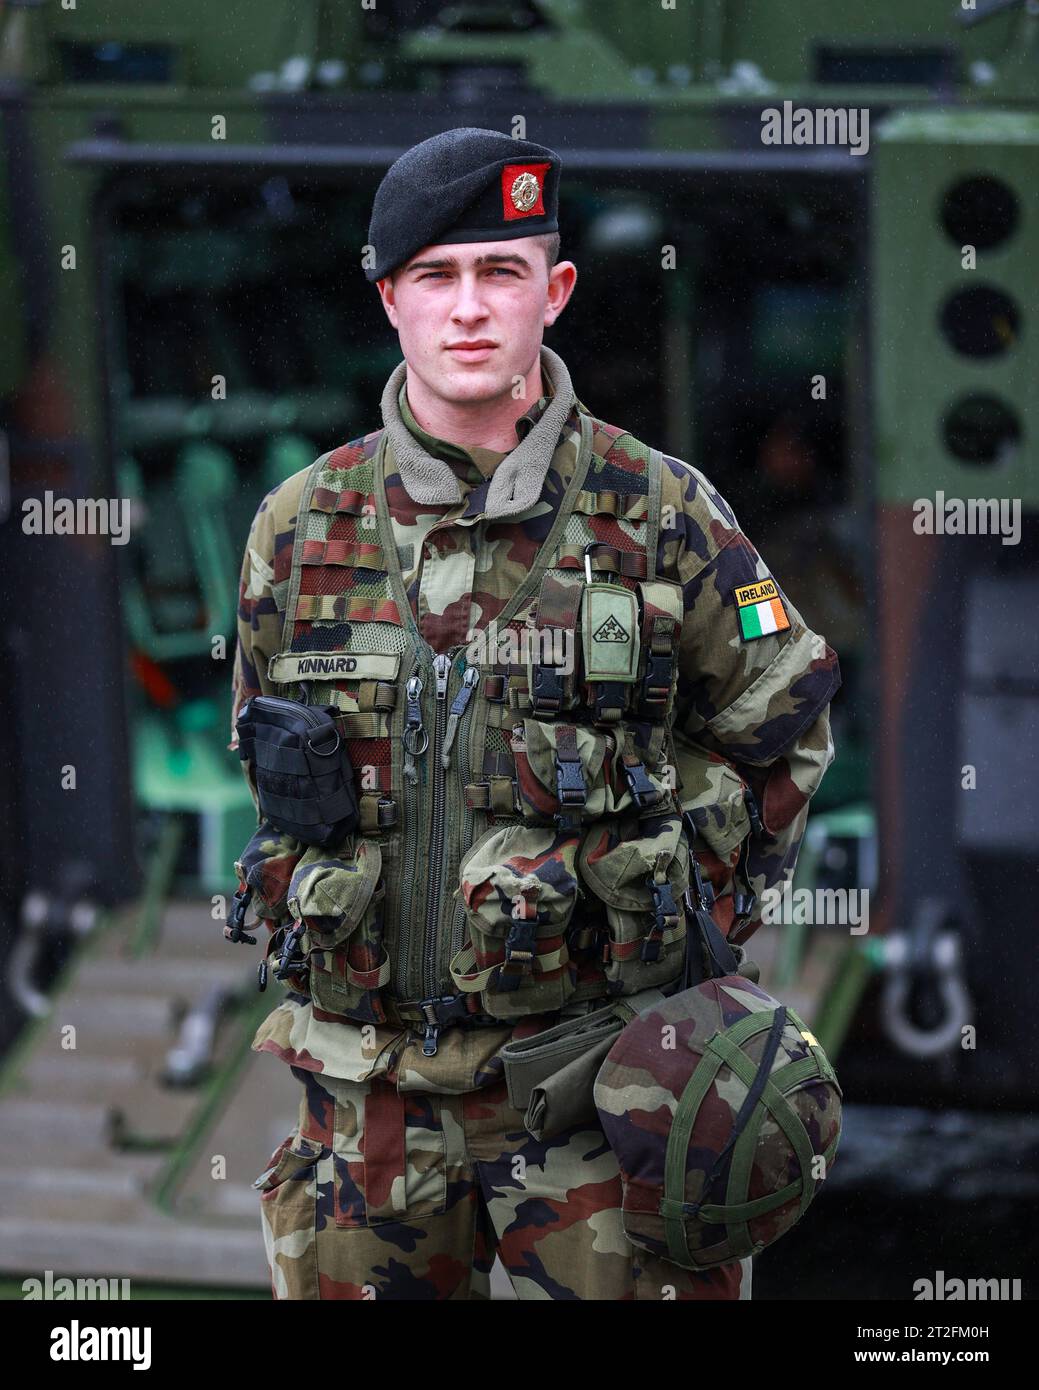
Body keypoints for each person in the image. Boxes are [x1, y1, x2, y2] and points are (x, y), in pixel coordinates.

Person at [229, 127, 841, 1300]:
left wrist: (680, 908)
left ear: (552, 293)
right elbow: (271, 755)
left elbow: (789, 716)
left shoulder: (666, 513)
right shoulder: (298, 529)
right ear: (388, 298)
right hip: (367, 1108)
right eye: (437, 277)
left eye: (500, 273)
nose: (469, 309)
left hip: (596, 1094)